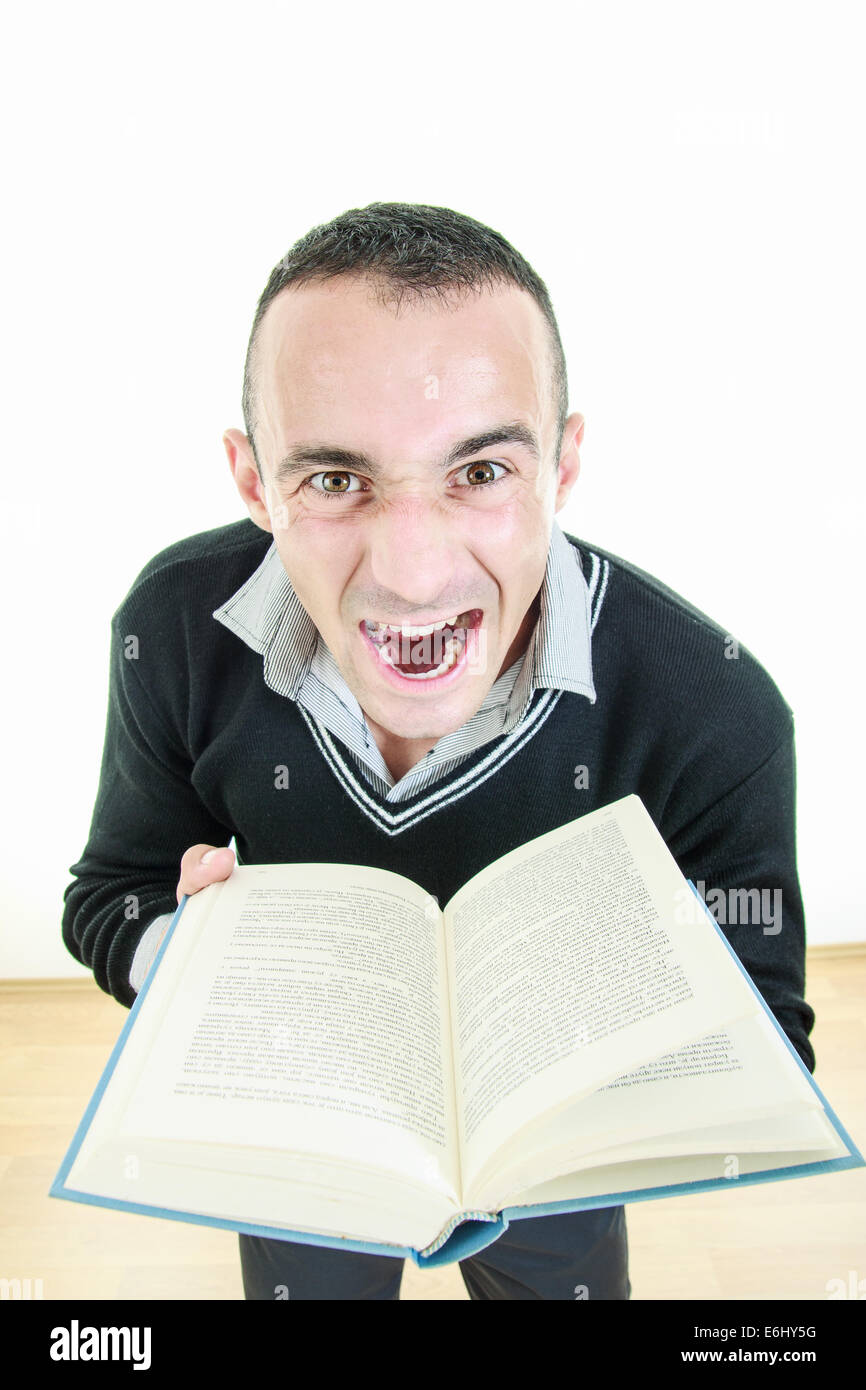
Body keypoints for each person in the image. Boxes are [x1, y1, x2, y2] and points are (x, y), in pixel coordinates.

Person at [62, 201, 815, 1301]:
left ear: (560, 466)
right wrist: (187, 960)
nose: (412, 573)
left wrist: (619, 1035)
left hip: (555, 1172)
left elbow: (767, 1028)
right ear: (251, 480)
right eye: (332, 479)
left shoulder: (717, 707)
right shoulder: (172, 629)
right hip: (304, 1152)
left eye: (479, 472)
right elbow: (112, 896)